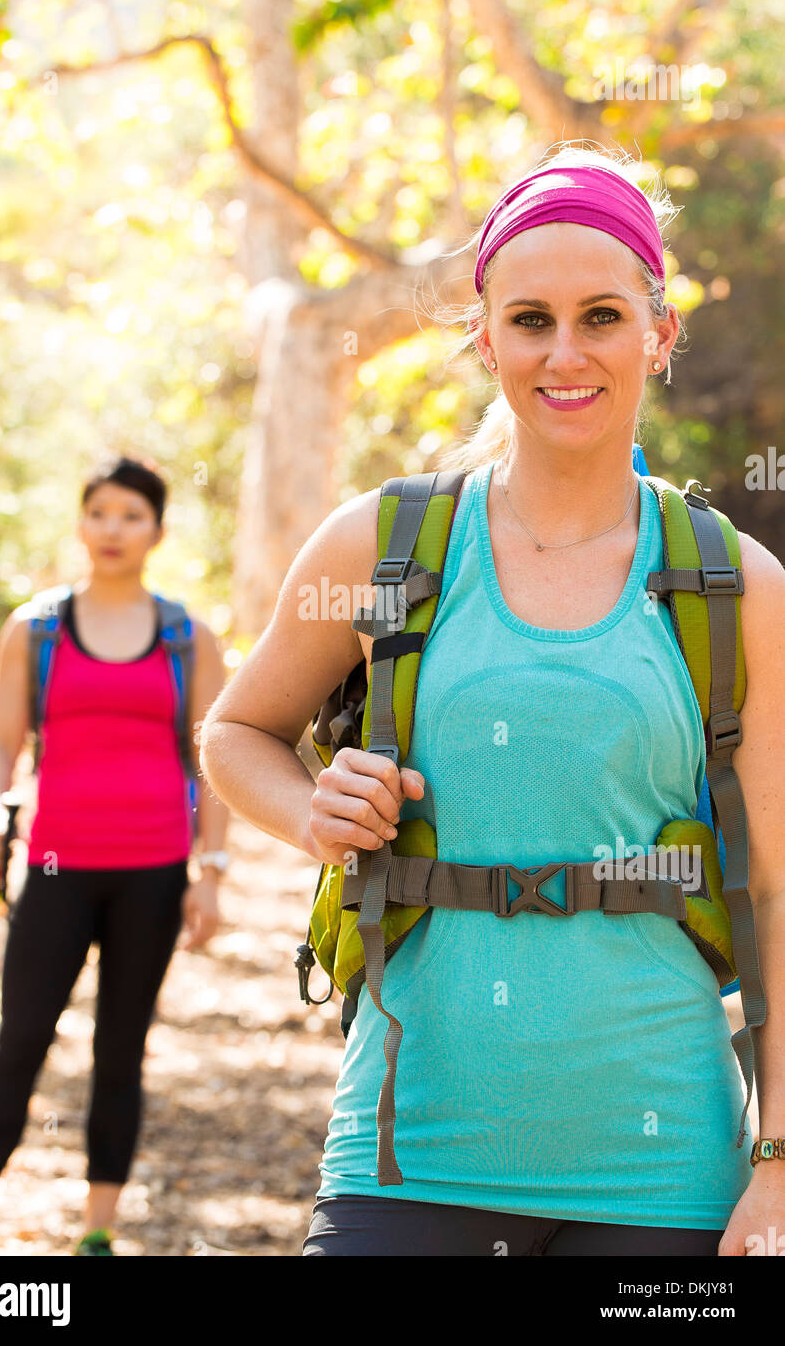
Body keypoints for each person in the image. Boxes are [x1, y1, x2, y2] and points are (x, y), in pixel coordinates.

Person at [199, 143, 785, 1257]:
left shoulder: (736, 586)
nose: (564, 352)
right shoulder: (385, 541)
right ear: (482, 338)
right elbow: (235, 730)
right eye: (529, 320)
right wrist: (309, 812)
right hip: (404, 1156)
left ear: (657, 335)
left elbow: (783, 891)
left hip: (663, 1179)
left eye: (601, 316)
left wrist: (778, 1163)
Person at [0, 454, 228, 1257]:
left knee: (119, 1050)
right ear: (80, 520)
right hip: (58, 868)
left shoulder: (186, 638)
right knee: (21, 1038)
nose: (112, 529)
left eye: (131, 515)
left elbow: (215, 762)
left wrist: (212, 872)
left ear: (157, 531)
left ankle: (96, 1230)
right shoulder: (33, 630)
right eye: (99, 511)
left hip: (155, 870)